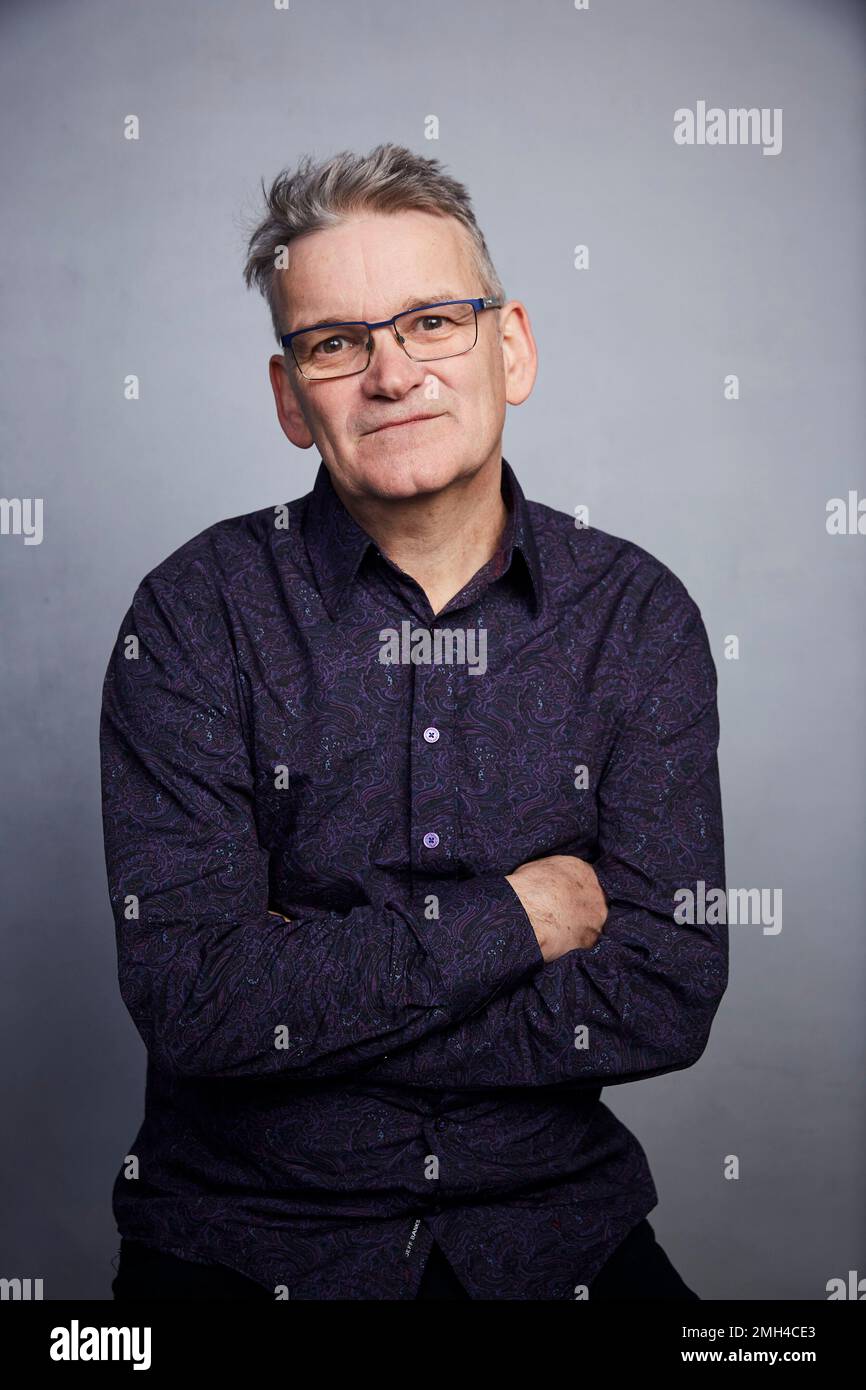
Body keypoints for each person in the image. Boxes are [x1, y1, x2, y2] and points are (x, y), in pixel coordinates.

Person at [101, 142, 726, 1301]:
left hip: (552, 1234)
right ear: (291, 396)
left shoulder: (636, 617)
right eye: (336, 342)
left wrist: (314, 1000)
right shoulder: (191, 618)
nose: (391, 374)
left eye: (432, 320)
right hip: (245, 1241)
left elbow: (662, 991)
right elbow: (196, 1000)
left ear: (510, 345)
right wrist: (518, 919)